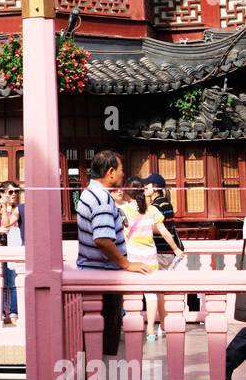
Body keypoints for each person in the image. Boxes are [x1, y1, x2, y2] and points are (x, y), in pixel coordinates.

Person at [76, 151, 153, 356]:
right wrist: (126, 264)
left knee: (93, 345)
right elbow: (102, 239)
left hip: (92, 275)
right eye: (121, 170)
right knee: (104, 344)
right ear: (110, 172)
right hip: (102, 279)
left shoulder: (90, 192)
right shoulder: (102, 198)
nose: (122, 174)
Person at [120, 176, 185, 341]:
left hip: (133, 259)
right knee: (151, 294)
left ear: (128, 193)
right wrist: (176, 249)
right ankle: (150, 330)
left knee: (132, 293)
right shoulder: (152, 210)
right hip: (151, 257)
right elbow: (164, 232)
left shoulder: (123, 210)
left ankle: (133, 327)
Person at [0, 181, 25, 323]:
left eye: (16, 192)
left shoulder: (18, 209)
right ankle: (1, 312)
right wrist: (1, 229)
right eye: (10, 192)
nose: (13, 195)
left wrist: (8, 209)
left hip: (14, 247)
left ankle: (14, 312)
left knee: (14, 281)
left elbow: (12, 224)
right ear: (1, 193)